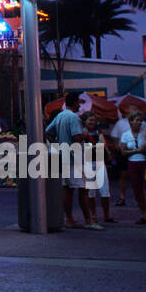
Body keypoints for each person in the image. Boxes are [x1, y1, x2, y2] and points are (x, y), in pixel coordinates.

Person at [45, 91, 100, 229]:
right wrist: (84, 133)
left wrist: (57, 143)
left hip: (63, 157)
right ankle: (88, 220)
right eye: (79, 103)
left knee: (67, 189)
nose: (80, 106)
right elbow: (76, 137)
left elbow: (48, 132)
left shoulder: (60, 116)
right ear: (75, 102)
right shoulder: (74, 118)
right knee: (82, 189)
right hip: (75, 158)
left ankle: (68, 218)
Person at [117, 110, 146, 225]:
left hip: (144, 162)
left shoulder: (144, 134)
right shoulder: (126, 135)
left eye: (140, 120)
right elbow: (123, 151)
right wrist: (136, 151)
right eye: (137, 120)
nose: (139, 123)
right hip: (133, 162)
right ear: (131, 121)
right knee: (137, 190)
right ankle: (144, 214)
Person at [80, 112, 113, 224]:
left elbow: (103, 144)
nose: (92, 122)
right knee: (91, 192)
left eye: (93, 120)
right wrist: (97, 146)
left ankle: (106, 214)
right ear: (84, 121)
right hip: (88, 163)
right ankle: (93, 215)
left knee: (105, 190)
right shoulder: (82, 132)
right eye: (90, 120)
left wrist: (107, 153)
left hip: (99, 161)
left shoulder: (98, 131)